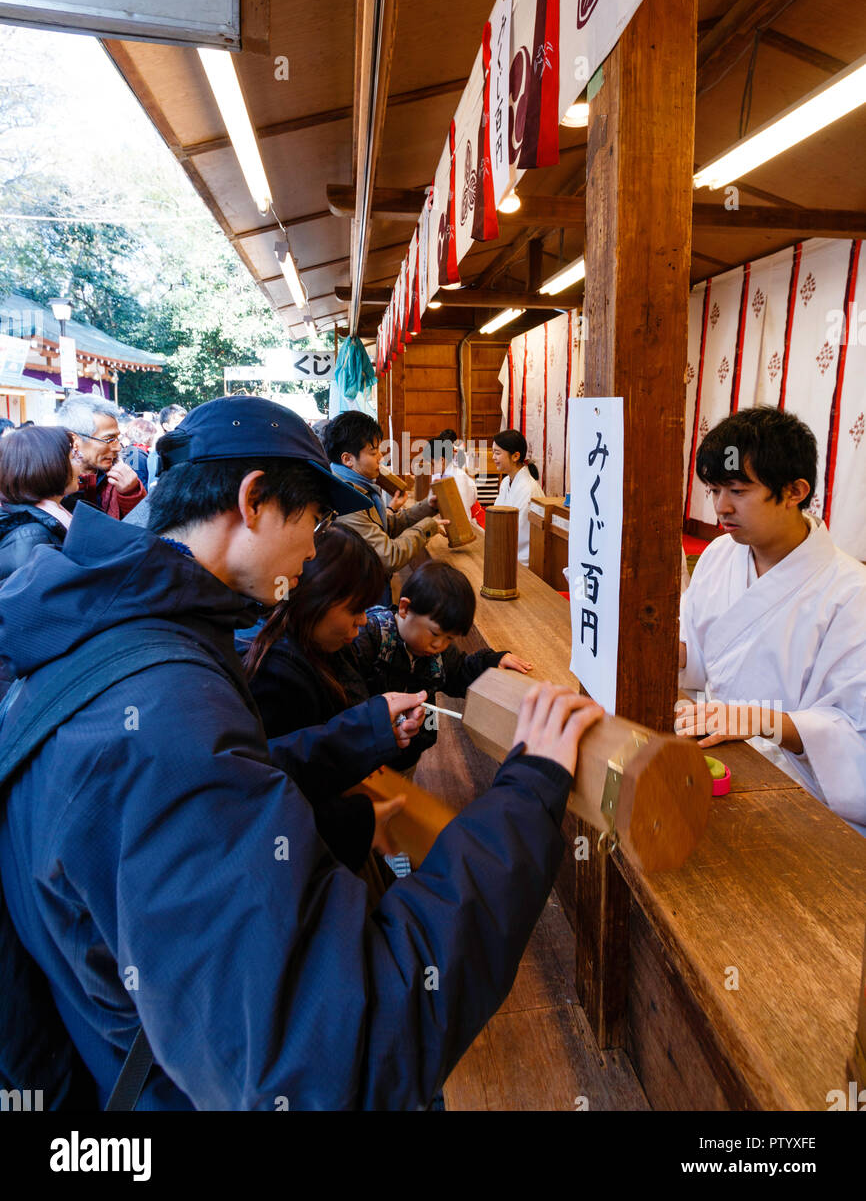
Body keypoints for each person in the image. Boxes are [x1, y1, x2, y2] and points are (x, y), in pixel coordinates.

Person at [0, 395, 603, 1110]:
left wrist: (364, 730)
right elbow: (344, 1047)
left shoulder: (113, 642)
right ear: (253, 501)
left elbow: (222, 790)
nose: (317, 549)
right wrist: (528, 793)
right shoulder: (163, 705)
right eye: (314, 523)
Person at [676, 406, 866, 835]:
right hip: (717, 755)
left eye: (737, 490)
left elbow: (856, 729)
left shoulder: (852, 593)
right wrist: (659, 649)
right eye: (713, 490)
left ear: (795, 490)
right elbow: (705, 655)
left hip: (801, 795)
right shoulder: (720, 555)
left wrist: (763, 720)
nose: (721, 507)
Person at [239, 524, 430, 866]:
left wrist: (389, 729)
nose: (361, 622)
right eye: (354, 609)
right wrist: (357, 822)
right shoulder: (277, 673)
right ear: (317, 596)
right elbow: (278, 789)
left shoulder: (327, 648)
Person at [353, 558, 533, 704]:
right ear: (405, 608)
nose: (439, 645)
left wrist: (490, 662)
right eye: (435, 633)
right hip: (373, 739)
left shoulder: (439, 654)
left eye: (449, 639)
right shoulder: (369, 637)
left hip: (415, 739)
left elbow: (459, 673)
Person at [324, 411, 447, 593]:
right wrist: (429, 527)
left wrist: (428, 507)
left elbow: (382, 526)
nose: (381, 457)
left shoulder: (355, 487)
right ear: (348, 459)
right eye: (373, 452)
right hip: (360, 595)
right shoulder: (346, 500)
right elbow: (389, 557)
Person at [0, 426, 78, 583]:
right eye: (72, 458)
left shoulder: (52, 515)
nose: (78, 464)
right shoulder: (31, 537)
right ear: (49, 466)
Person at [56, 393, 146, 519]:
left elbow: (142, 527)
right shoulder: (48, 485)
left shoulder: (119, 479)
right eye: (109, 439)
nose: (118, 447)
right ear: (74, 441)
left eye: (117, 438)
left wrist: (131, 493)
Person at [491, 428, 544, 565]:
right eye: (493, 453)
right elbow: (496, 517)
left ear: (515, 456)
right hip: (505, 552)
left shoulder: (528, 489)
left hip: (521, 560)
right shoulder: (506, 482)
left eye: (497, 453)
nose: (493, 458)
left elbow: (517, 532)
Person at [428, 435, 478, 516]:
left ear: (441, 460)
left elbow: (462, 514)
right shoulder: (440, 473)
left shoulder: (459, 478)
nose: (430, 468)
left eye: (432, 464)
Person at [147, 404, 186, 488]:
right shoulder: (157, 454)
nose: (183, 425)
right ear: (166, 426)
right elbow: (153, 487)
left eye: (185, 421)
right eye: (177, 422)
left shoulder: (190, 448)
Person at [123, 417, 159, 489]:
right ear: (146, 435)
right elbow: (138, 484)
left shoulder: (136, 451)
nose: (154, 437)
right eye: (153, 434)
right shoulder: (133, 454)